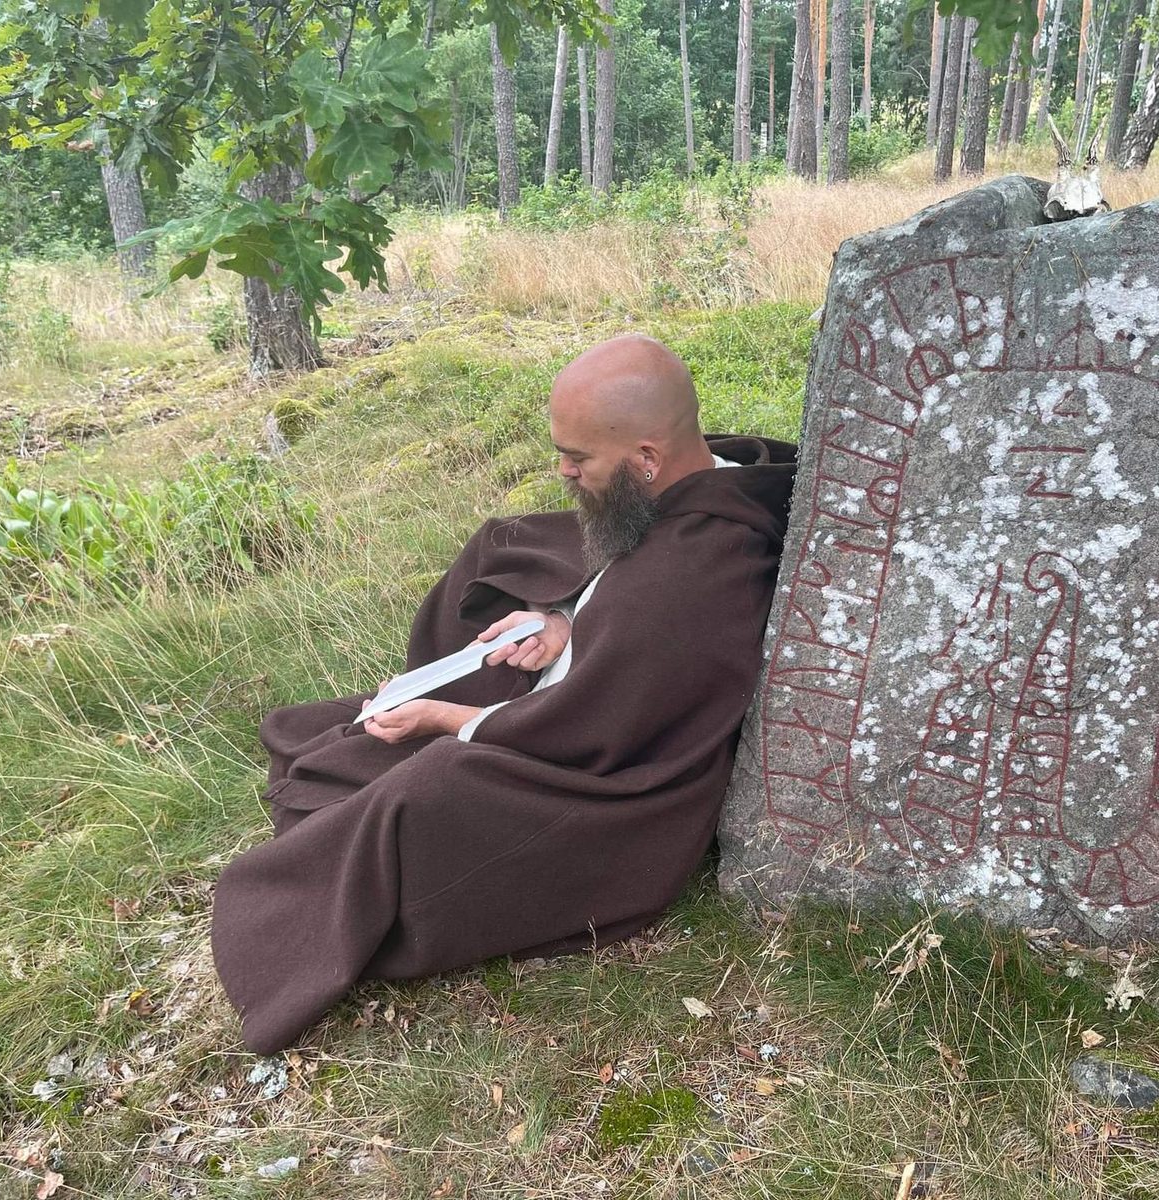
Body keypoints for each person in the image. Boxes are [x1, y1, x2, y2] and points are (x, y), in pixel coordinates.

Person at [210, 333, 798, 1054]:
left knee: (424, 789)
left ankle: (306, 906)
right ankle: (376, 760)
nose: (563, 472)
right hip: (595, 692)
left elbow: (589, 733)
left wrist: (442, 717)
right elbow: (620, 613)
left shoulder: (686, 581)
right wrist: (561, 622)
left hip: (618, 792)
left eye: (579, 460)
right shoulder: (711, 475)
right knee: (500, 578)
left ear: (647, 459)